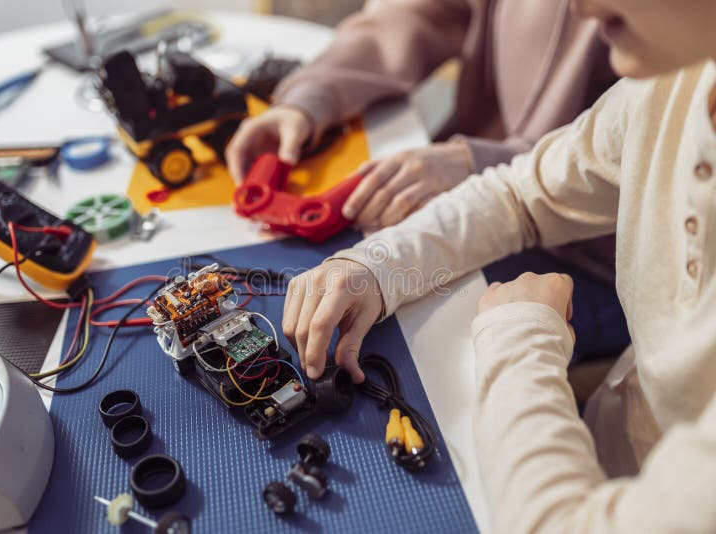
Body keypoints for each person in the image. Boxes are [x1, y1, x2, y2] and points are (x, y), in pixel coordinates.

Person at [282, 0, 716, 530]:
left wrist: (520, 337)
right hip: (586, 439)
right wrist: (379, 265)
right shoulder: (679, 78)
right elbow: (522, 194)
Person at [228, 0, 629, 360]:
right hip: (492, 203)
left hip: (596, 264)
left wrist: (475, 162)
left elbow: (611, 159)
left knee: (431, 358)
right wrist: (314, 94)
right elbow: (419, 11)